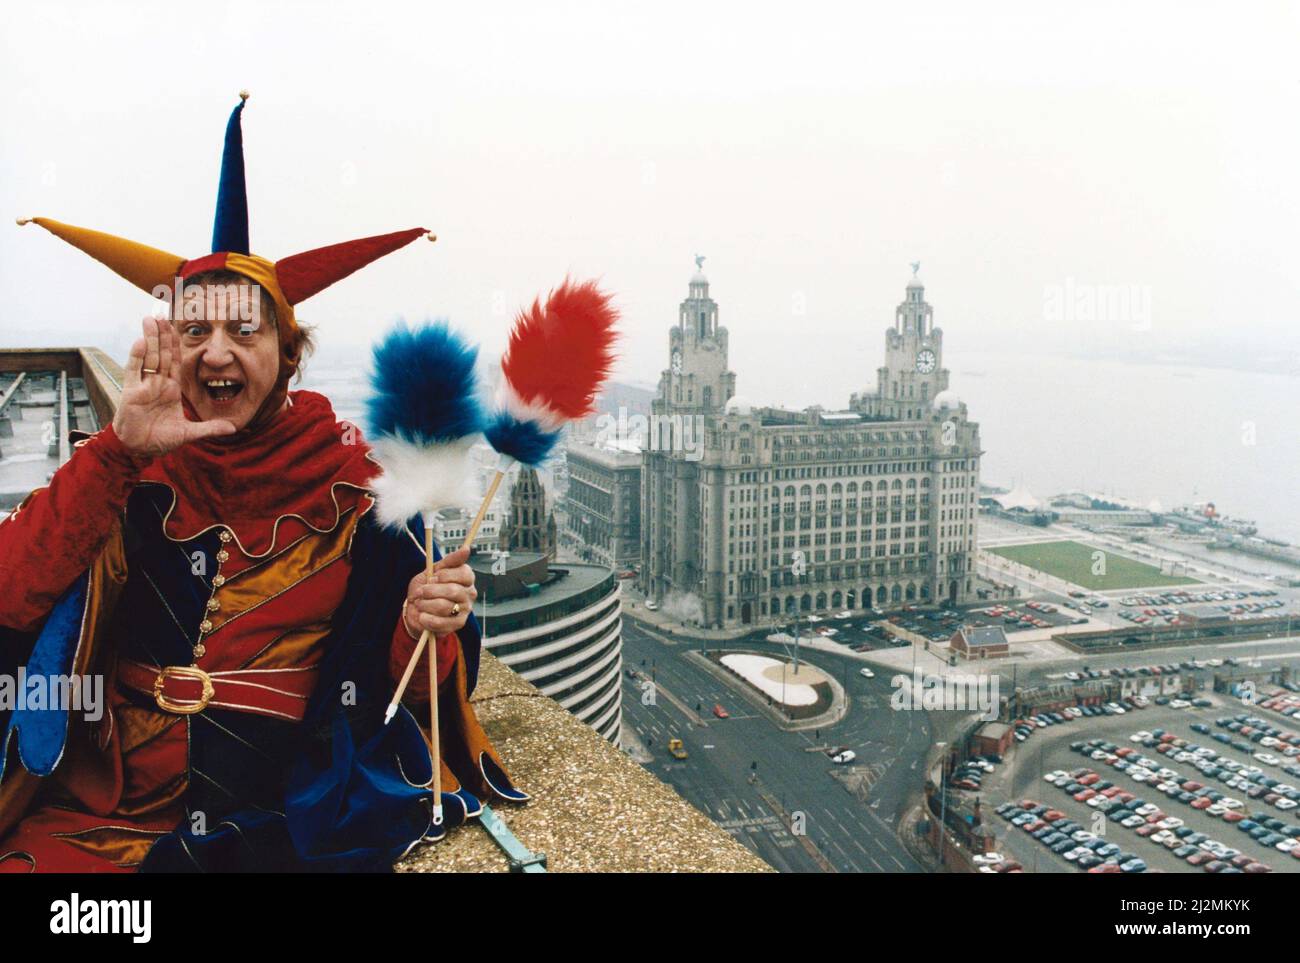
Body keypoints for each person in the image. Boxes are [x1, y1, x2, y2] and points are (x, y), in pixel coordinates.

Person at [0, 94, 523, 873]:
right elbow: (12, 596)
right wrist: (114, 454)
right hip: (102, 812)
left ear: (288, 351)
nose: (216, 352)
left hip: (278, 816)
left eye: (244, 331)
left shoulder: (360, 490)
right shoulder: (128, 469)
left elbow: (401, 700)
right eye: (194, 330)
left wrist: (417, 628)